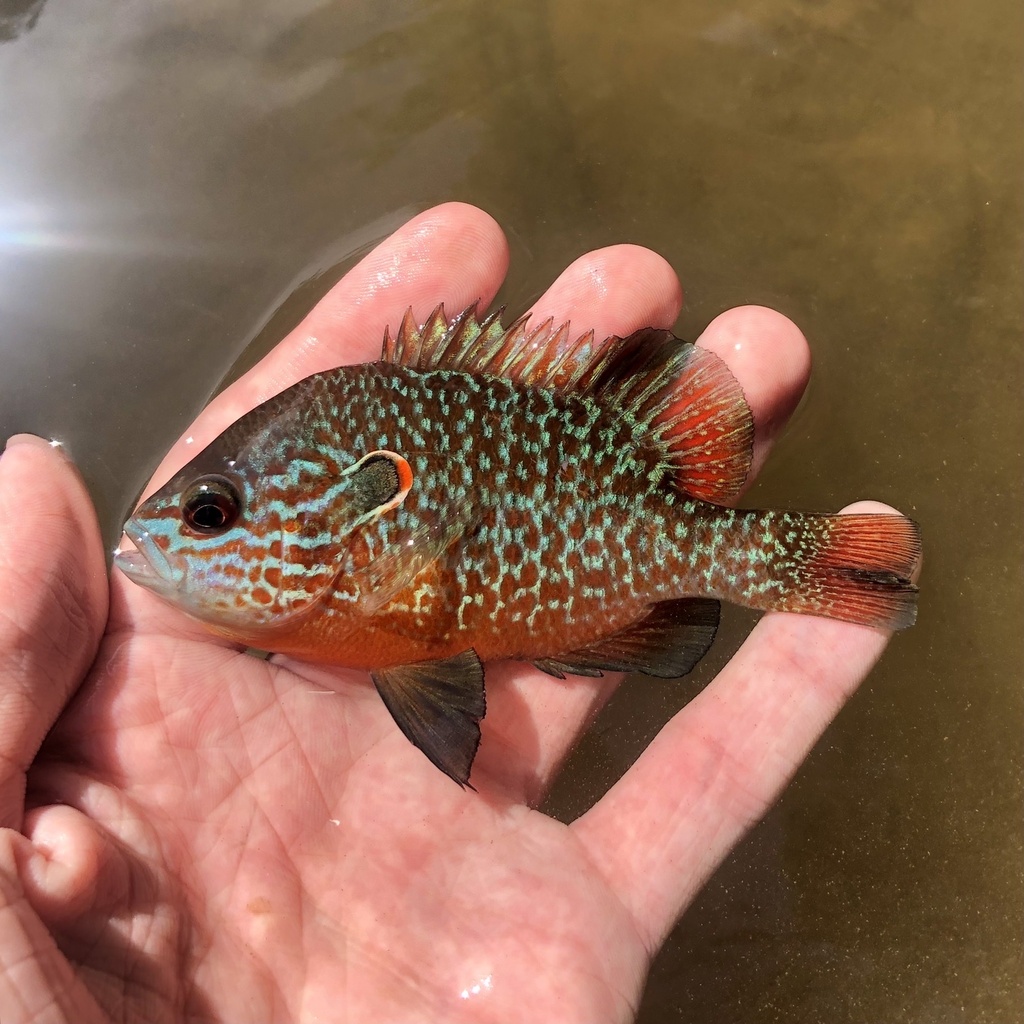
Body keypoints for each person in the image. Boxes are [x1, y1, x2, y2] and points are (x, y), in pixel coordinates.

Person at [0, 203, 912, 1023]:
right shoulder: (345, 574)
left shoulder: (358, 574)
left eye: (211, 515)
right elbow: (422, 651)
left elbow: (424, 640)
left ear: (347, 509)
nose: (164, 538)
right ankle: (845, 572)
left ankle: (825, 566)